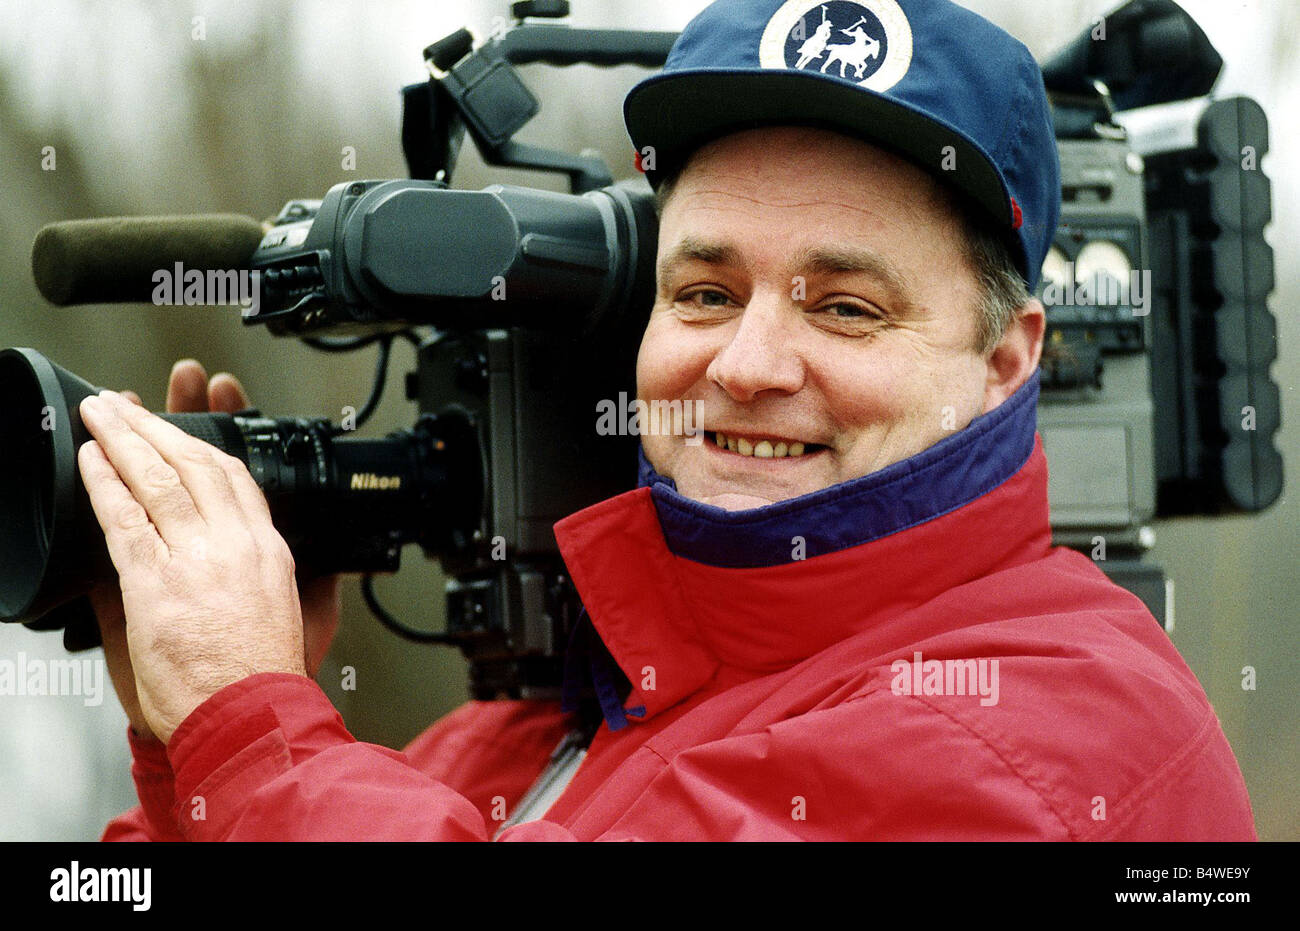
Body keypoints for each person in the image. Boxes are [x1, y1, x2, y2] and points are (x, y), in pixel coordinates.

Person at [86, 0, 1255, 841]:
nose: (744, 364)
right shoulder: (536, 732)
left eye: (844, 307)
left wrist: (251, 737)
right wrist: (183, 754)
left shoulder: (1054, 727)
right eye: (703, 292)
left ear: (1004, 362)